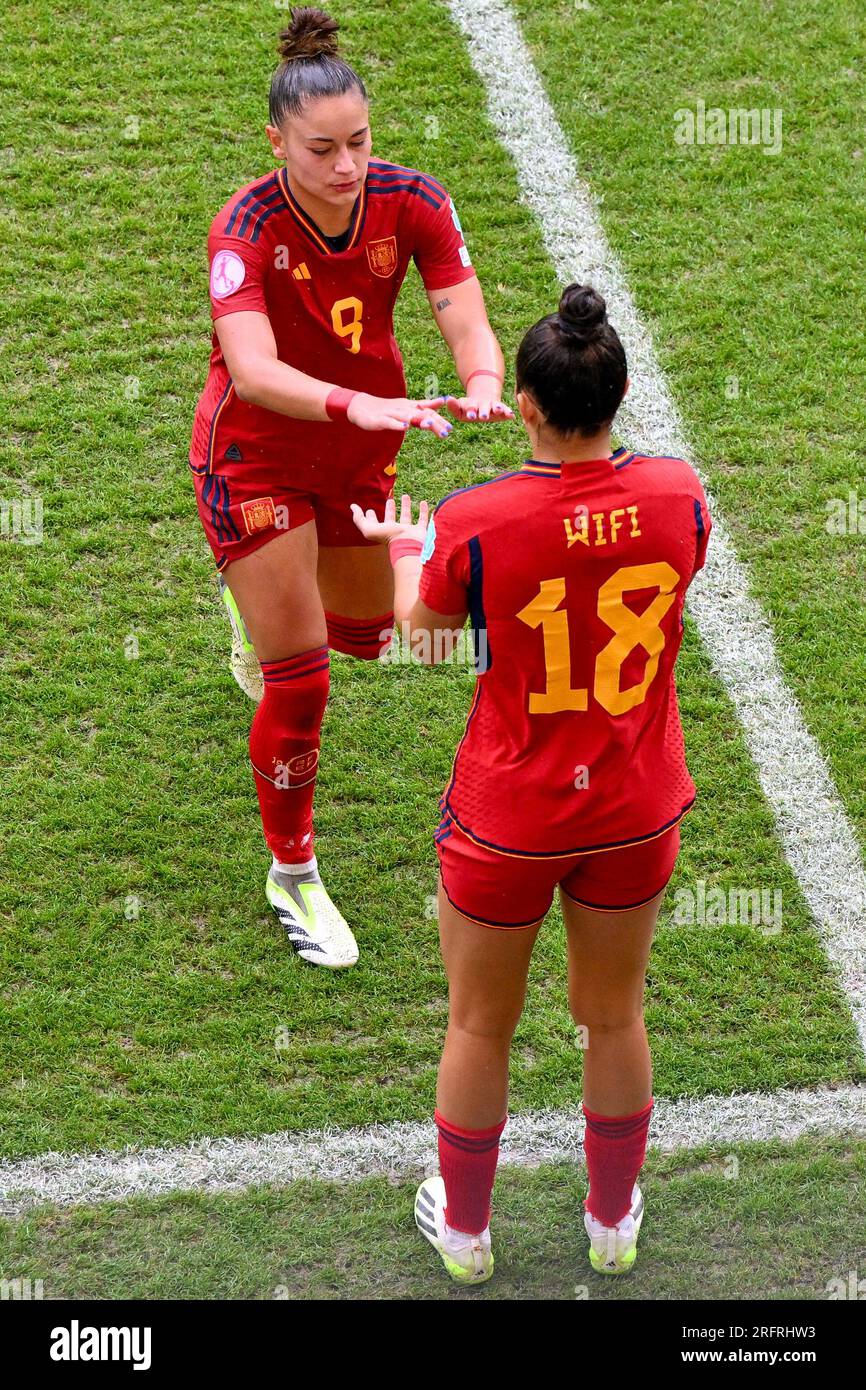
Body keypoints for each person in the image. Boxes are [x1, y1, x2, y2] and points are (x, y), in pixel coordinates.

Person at [352, 283, 712, 1282]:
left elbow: (418, 643)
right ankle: (609, 1221)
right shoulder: (677, 493)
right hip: (634, 806)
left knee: (478, 1023)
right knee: (613, 1012)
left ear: (522, 404)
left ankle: (465, 1230)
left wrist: (401, 550)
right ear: (620, 394)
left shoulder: (474, 517)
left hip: (510, 815)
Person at [188, 7, 513, 968]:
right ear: (276, 140)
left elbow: (461, 310)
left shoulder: (413, 200)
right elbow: (249, 370)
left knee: (369, 642)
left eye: (359, 141)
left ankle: (269, 608)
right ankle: (292, 869)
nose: (346, 165)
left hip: (359, 449)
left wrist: (486, 384)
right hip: (258, 456)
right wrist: (352, 404)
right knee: (303, 676)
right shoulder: (244, 226)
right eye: (322, 148)